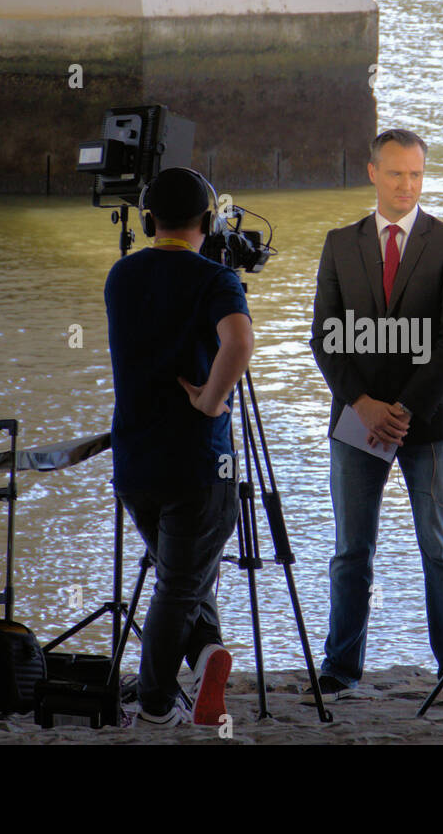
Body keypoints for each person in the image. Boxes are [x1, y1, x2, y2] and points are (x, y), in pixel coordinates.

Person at [307, 129, 443, 710]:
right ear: (372, 172)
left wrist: (404, 409)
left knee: (442, 548)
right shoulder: (339, 243)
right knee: (351, 550)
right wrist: (363, 405)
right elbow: (326, 338)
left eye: (416, 175)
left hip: (428, 425)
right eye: (396, 174)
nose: (407, 185)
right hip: (357, 419)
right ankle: (340, 670)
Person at [104, 167, 254, 725]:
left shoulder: (120, 276)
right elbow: (239, 343)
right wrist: (211, 401)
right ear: (208, 222)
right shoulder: (214, 280)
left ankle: (208, 654)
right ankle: (156, 703)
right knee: (179, 583)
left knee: (185, 573)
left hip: (135, 463)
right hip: (197, 462)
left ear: (148, 221)